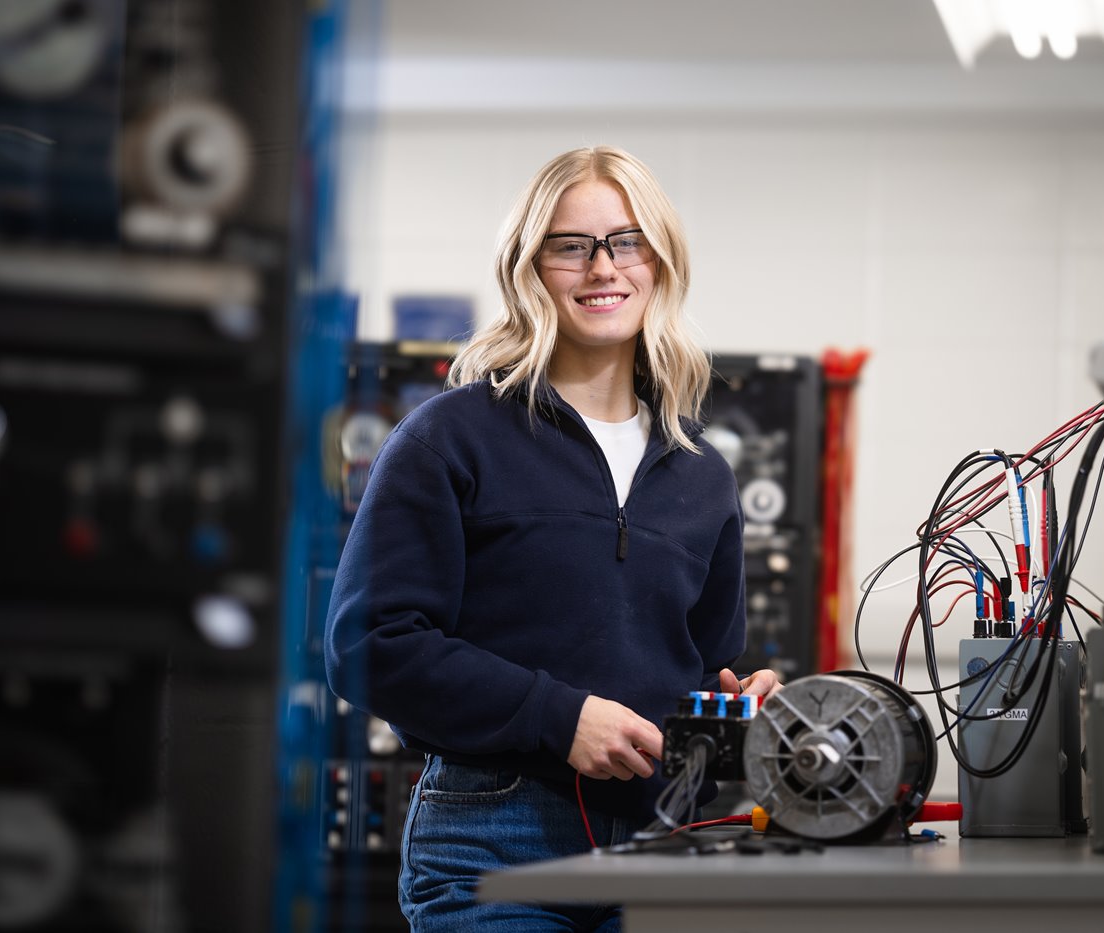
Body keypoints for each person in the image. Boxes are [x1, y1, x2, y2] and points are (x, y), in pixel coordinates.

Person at [324, 145, 782, 931]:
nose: (603, 267)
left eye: (627, 241)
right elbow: (370, 643)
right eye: (572, 245)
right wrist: (559, 717)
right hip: (492, 840)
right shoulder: (450, 437)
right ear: (529, 268)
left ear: (660, 261)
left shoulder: (702, 473)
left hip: (658, 842)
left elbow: (701, 663)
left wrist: (726, 715)